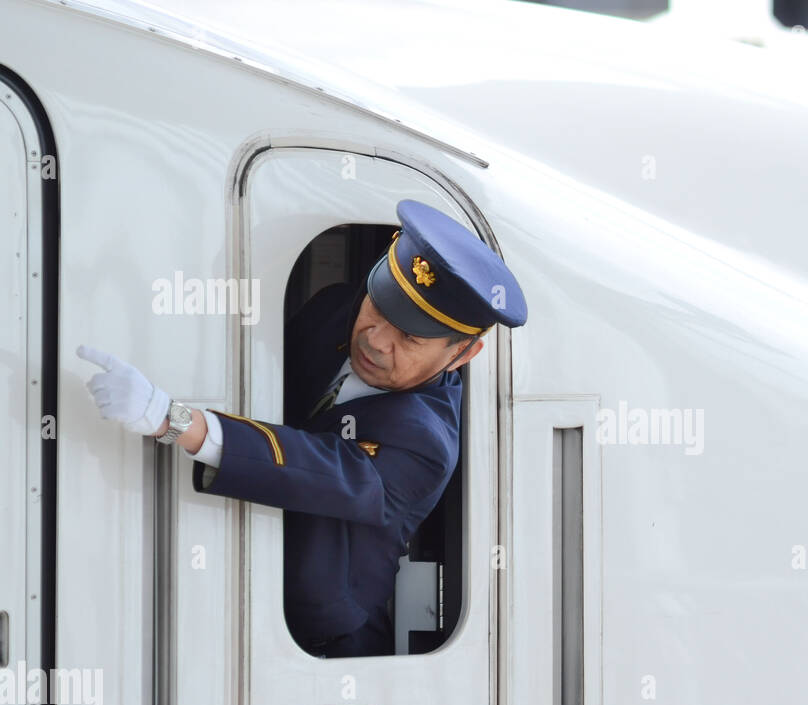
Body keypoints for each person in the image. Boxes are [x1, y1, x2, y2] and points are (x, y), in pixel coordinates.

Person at [78, 199, 527, 657]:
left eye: (409, 338)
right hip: (224, 574)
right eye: (378, 307)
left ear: (463, 353)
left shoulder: (426, 443)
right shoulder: (335, 309)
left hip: (316, 642)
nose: (375, 338)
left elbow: (317, 466)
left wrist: (172, 420)